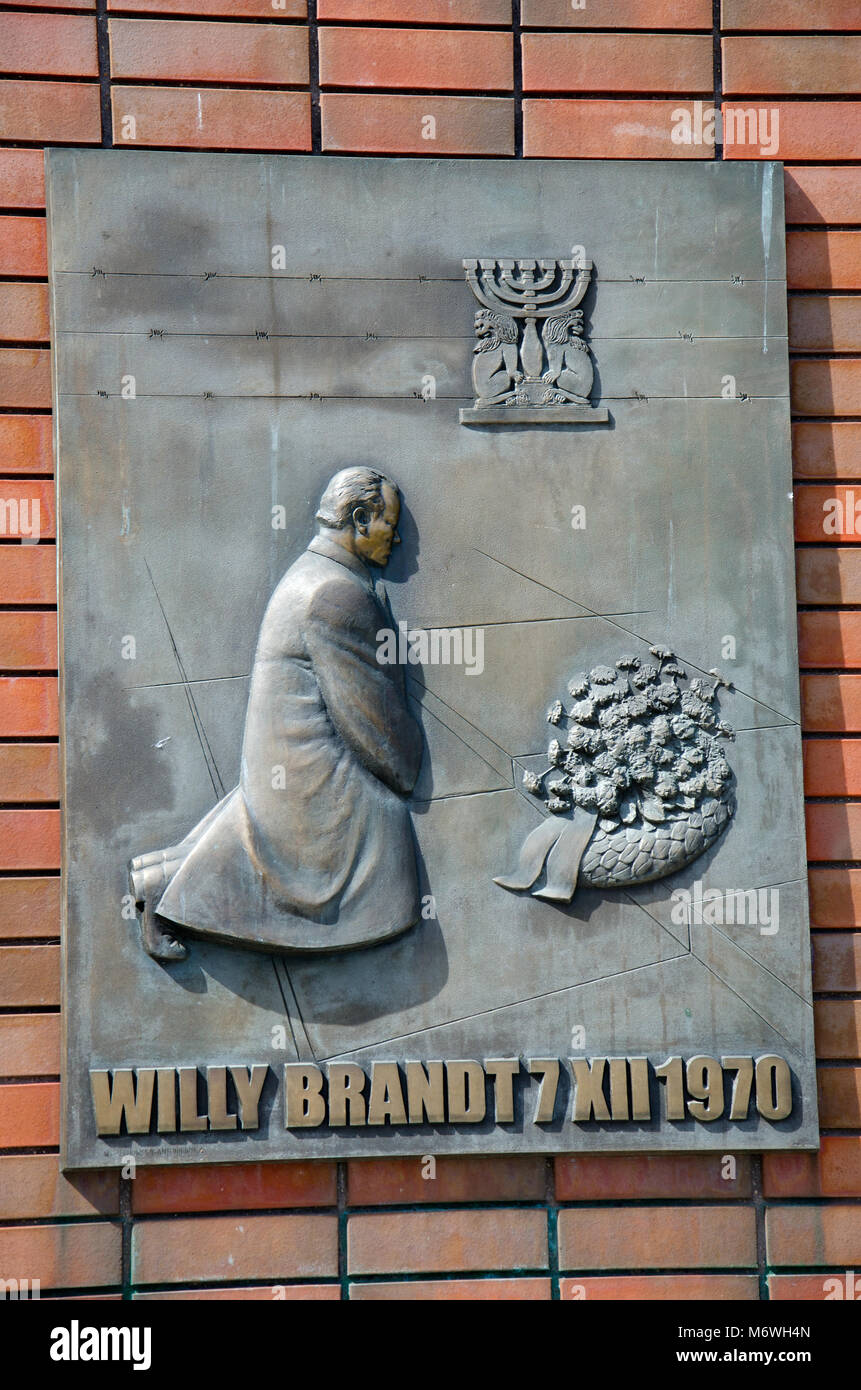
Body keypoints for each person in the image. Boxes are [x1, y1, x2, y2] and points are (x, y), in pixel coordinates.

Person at [129, 467, 423, 961]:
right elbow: (376, 733)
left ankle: (162, 881)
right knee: (390, 839)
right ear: (359, 519)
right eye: (390, 525)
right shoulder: (335, 593)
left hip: (285, 775)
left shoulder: (316, 577)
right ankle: (170, 893)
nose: (399, 542)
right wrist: (408, 762)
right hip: (311, 789)